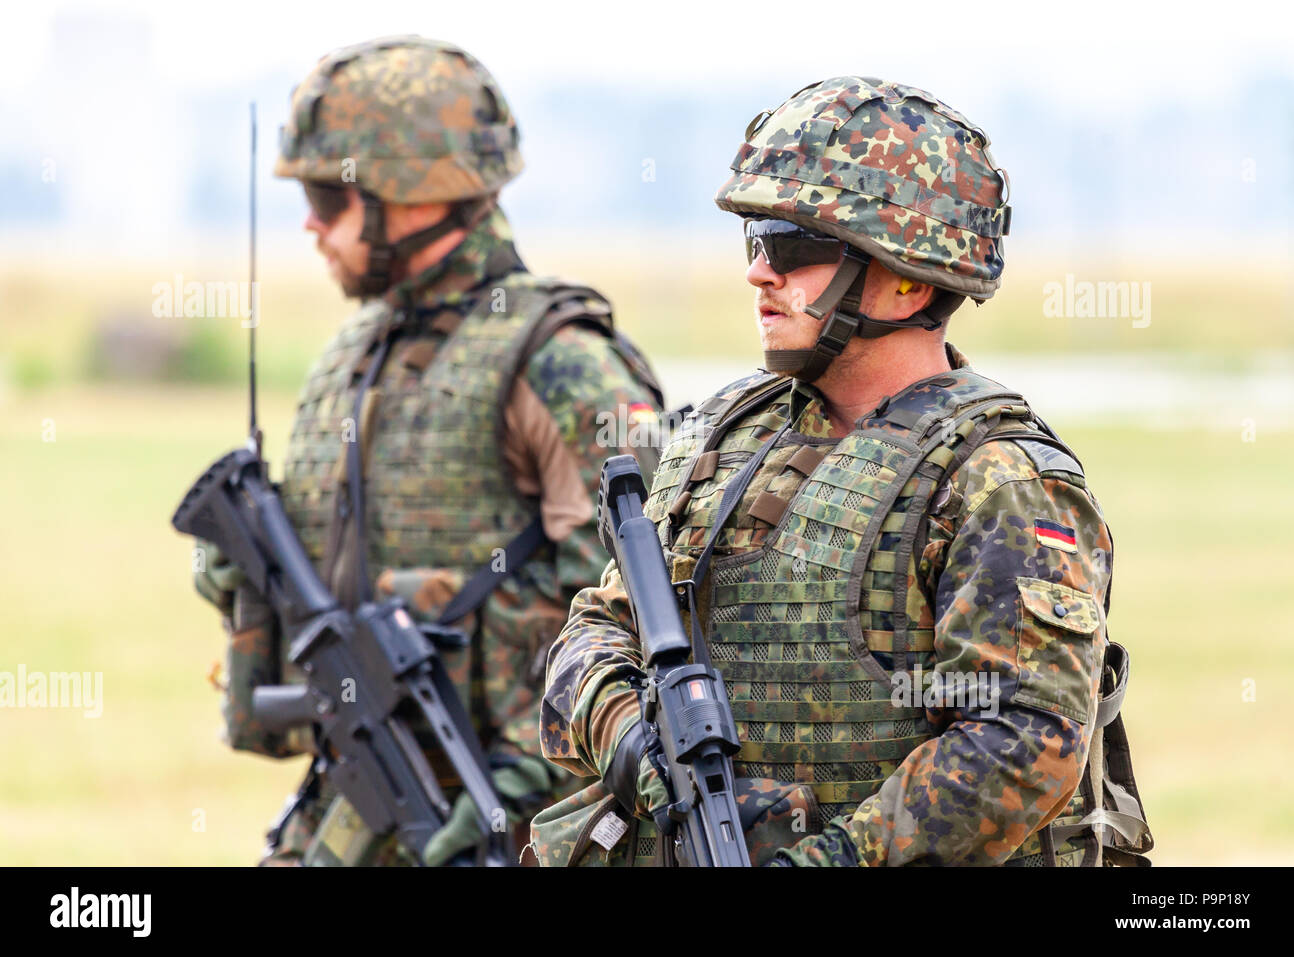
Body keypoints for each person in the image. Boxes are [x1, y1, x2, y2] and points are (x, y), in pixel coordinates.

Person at [531, 76, 1153, 866]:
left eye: (792, 247)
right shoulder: (720, 437)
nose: (760, 273)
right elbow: (597, 629)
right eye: (754, 241)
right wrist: (634, 747)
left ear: (908, 274)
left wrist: (827, 860)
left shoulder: (997, 477)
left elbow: (1024, 742)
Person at [189, 35, 663, 866]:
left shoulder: (561, 359)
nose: (308, 222)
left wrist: (522, 782)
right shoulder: (352, 354)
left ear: (410, 195)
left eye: (324, 195)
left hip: (513, 819)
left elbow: (640, 602)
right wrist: (242, 578)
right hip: (362, 794)